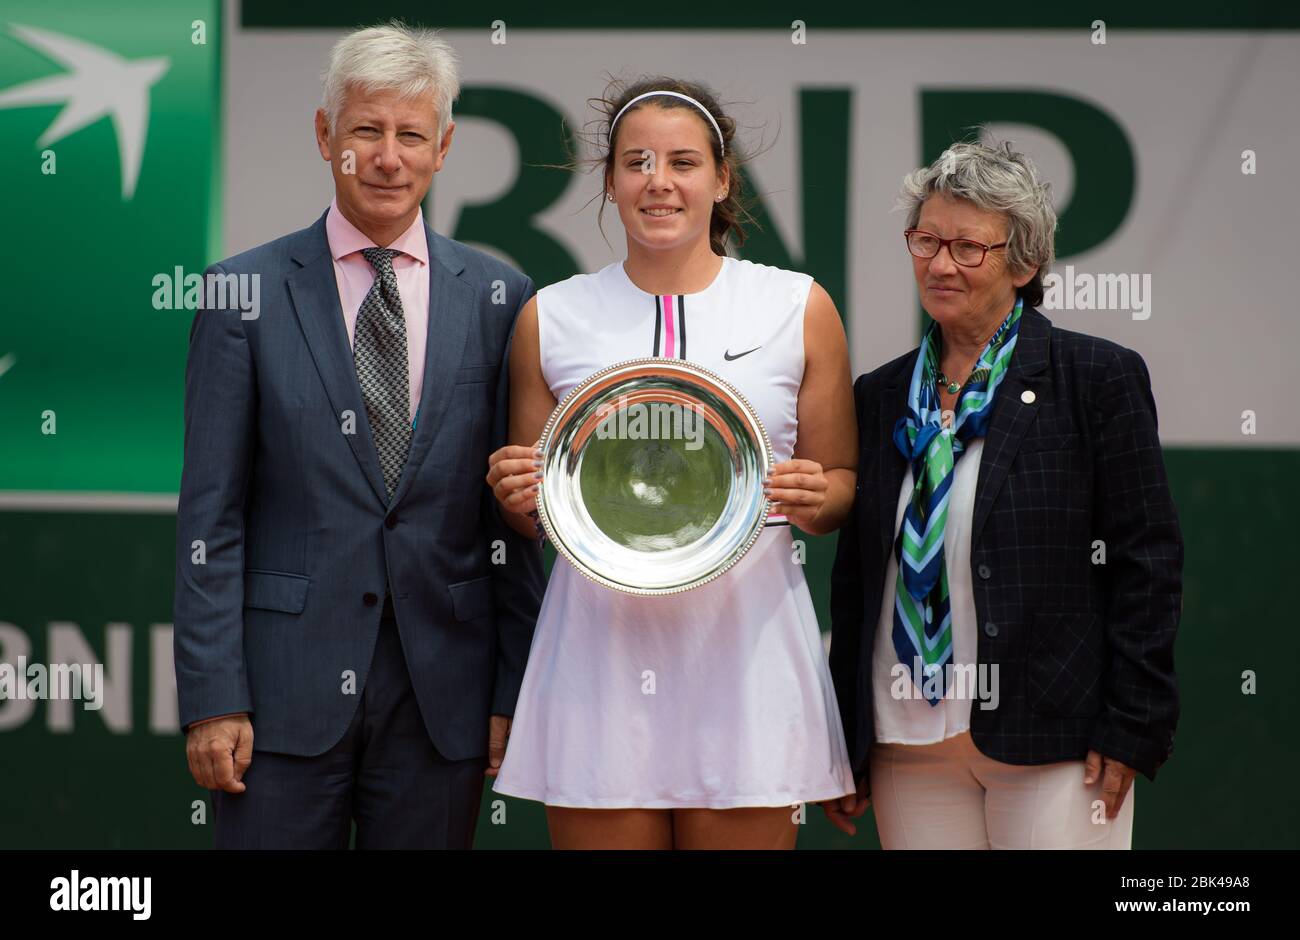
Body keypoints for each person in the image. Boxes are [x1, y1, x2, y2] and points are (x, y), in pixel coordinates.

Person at [173, 22, 543, 849]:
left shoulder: (500, 295)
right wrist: (212, 696)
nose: (388, 157)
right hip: (277, 699)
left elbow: (510, 520)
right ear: (324, 135)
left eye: (411, 135)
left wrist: (511, 691)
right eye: (367, 131)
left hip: (442, 698)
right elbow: (211, 518)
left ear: (444, 148)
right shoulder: (244, 293)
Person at [484, 78, 858, 849]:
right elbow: (528, 513)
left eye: (683, 161)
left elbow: (841, 487)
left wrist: (817, 496)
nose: (659, 181)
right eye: (637, 162)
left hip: (748, 662)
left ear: (723, 180)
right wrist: (513, 491)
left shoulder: (798, 306)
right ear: (613, 182)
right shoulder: (550, 317)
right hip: (599, 665)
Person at [824, 139, 1183, 849]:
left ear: (1024, 263)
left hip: (1053, 734)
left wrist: (1134, 720)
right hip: (906, 739)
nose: (940, 262)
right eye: (926, 239)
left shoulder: (1095, 377)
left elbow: (1147, 559)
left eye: (968, 247)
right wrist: (847, 736)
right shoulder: (882, 393)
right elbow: (858, 577)